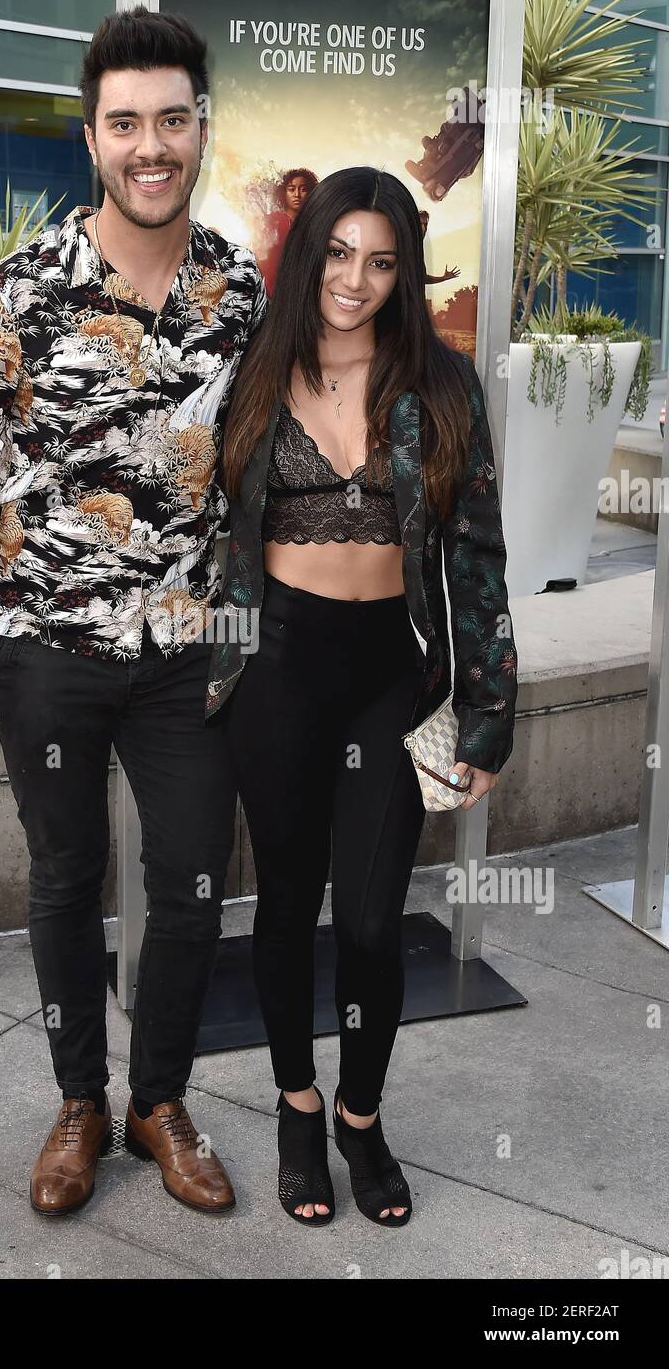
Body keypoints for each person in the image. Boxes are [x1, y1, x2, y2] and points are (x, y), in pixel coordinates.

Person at [0, 6, 266, 1218]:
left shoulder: (241, 293)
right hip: (43, 648)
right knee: (66, 875)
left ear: (198, 129)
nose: (151, 145)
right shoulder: (14, 293)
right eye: (126, 123)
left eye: (172, 119)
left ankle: (157, 1100)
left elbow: (268, 462)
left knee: (187, 881)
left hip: (189, 653)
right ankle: (78, 1102)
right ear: (92, 139)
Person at [206, 167, 518, 1229]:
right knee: (286, 907)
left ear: (404, 271)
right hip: (278, 666)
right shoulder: (254, 368)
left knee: (376, 923)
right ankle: (296, 1106)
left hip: (390, 670)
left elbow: (477, 554)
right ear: (308, 254)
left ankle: (359, 1116)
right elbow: (200, 537)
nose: (355, 278)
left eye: (381, 261)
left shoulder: (442, 383)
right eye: (338, 253)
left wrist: (487, 713)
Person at [257, 167, 318, 296]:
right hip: (272, 291)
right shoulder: (272, 221)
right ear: (284, 192)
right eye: (291, 189)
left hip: (304, 291)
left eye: (303, 189)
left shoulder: (315, 225)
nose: (297, 194)